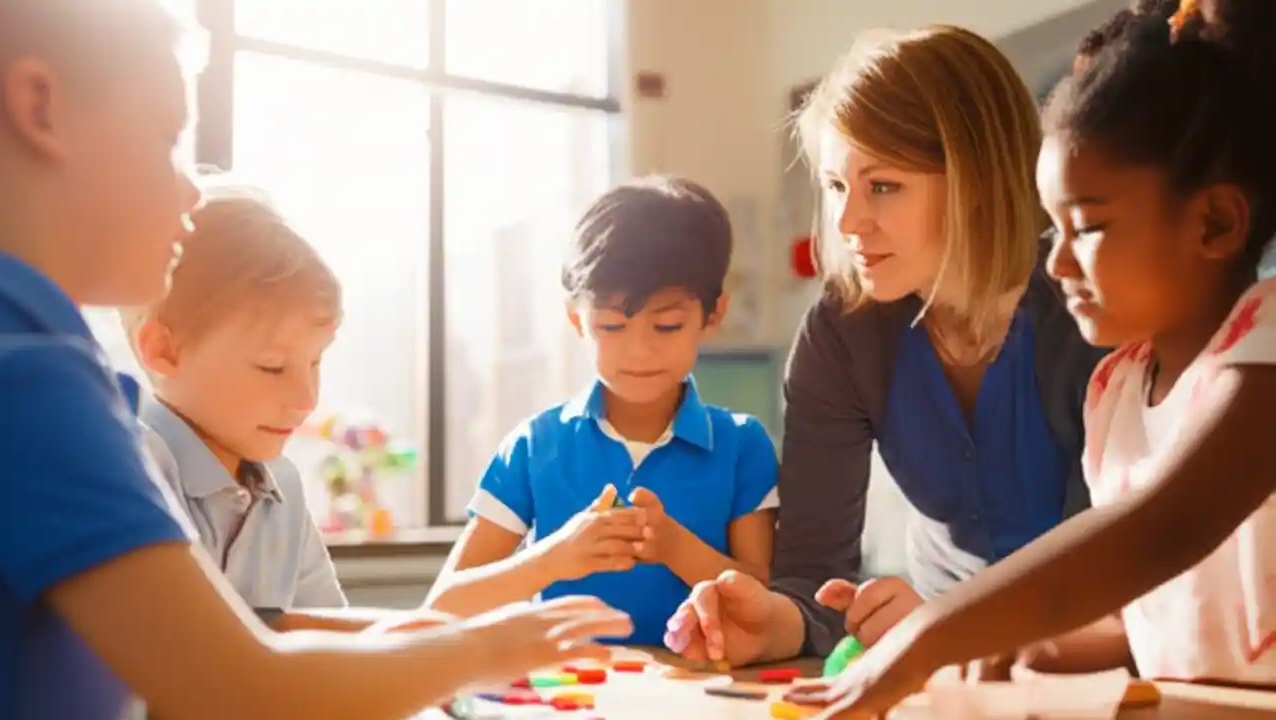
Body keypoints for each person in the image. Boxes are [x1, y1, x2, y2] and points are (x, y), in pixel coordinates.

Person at [0, 2, 629, 718]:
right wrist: (486, 648)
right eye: (170, 139)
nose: (193, 187)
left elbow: (271, 634)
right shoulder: (31, 380)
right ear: (40, 107)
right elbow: (238, 683)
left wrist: (429, 640)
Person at [788, 1, 1276, 714]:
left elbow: (1153, 533)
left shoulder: (1266, 349)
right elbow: (1138, 612)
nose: (1055, 266)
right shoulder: (1116, 387)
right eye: (1055, 228)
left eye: (1088, 228)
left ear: (1215, 222)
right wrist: (1015, 646)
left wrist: (928, 634)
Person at [664, 24, 1104, 667]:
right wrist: (772, 622)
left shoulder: (1089, 309)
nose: (847, 224)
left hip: (1101, 656)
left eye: (883, 186)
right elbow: (813, 578)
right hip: (940, 654)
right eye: (838, 186)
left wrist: (948, 628)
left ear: (977, 179)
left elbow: (1117, 575)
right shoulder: (840, 337)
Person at [426, 176, 779, 645]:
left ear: (712, 317)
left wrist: (676, 547)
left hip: (695, 694)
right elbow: (442, 607)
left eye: (668, 326)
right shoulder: (537, 445)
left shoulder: (741, 446)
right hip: (565, 698)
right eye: (611, 326)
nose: (639, 352)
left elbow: (767, 606)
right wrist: (553, 557)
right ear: (577, 319)